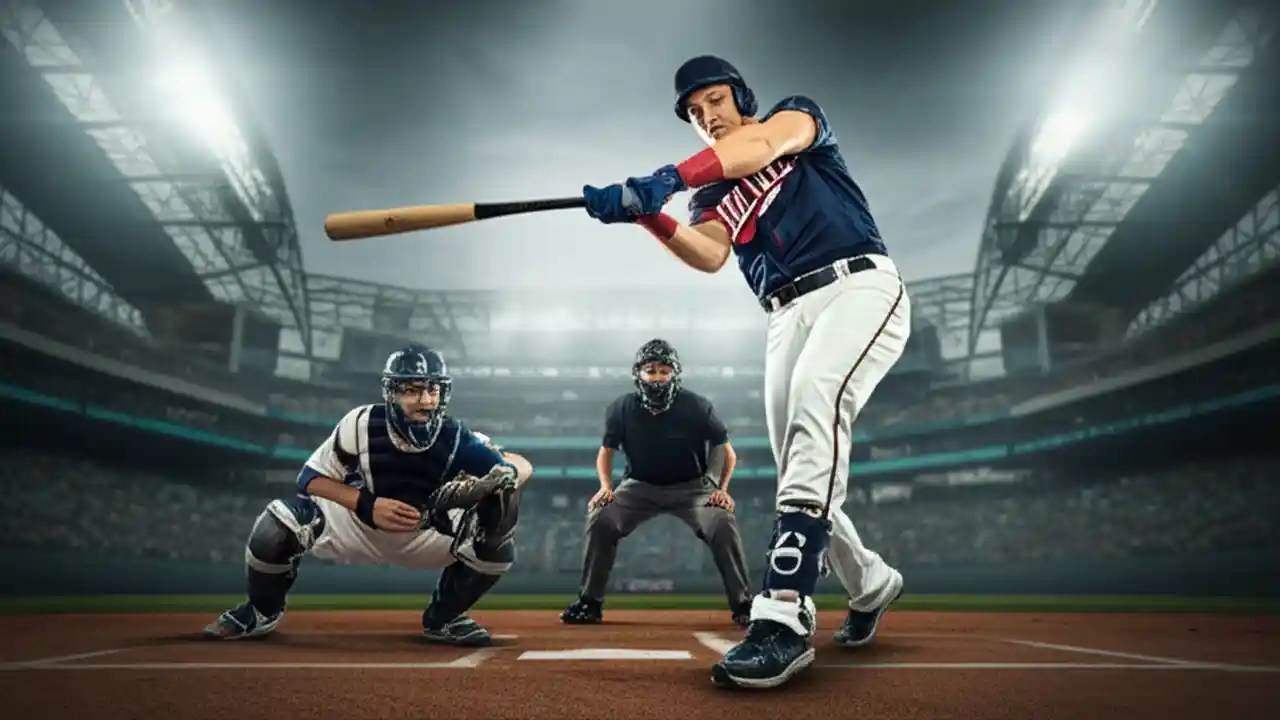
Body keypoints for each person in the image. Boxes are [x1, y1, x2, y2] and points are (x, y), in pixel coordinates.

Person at [580, 56, 912, 689]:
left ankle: (784, 613)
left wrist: (665, 179)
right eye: (695, 112)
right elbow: (707, 253)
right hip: (784, 314)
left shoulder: (795, 117)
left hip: (858, 285)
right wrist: (645, 213)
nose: (708, 117)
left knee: (817, 406)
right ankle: (870, 583)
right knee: (800, 468)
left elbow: (757, 145)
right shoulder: (711, 193)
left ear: (741, 95)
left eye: (715, 101)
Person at [202, 343, 534, 646]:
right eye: (413, 390)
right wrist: (365, 504)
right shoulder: (360, 423)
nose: (426, 400)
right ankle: (261, 610)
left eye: (433, 388)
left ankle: (444, 618)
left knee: (505, 508)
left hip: (429, 532)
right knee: (278, 524)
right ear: (391, 392)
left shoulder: (459, 438)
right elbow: (309, 478)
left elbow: (519, 465)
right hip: (356, 525)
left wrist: (503, 476)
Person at [559, 339, 753, 626]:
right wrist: (606, 487)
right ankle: (589, 602)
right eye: (651, 371)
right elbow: (606, 452)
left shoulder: (698, 406)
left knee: (722, 522)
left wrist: (721, 490)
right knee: (600, 517)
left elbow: (727, 452)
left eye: (664, 371)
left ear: (675, 373)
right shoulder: (621, 407)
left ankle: (744, 605)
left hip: (693, 488)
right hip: (639, 486)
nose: (658, 378)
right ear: (639, 374)